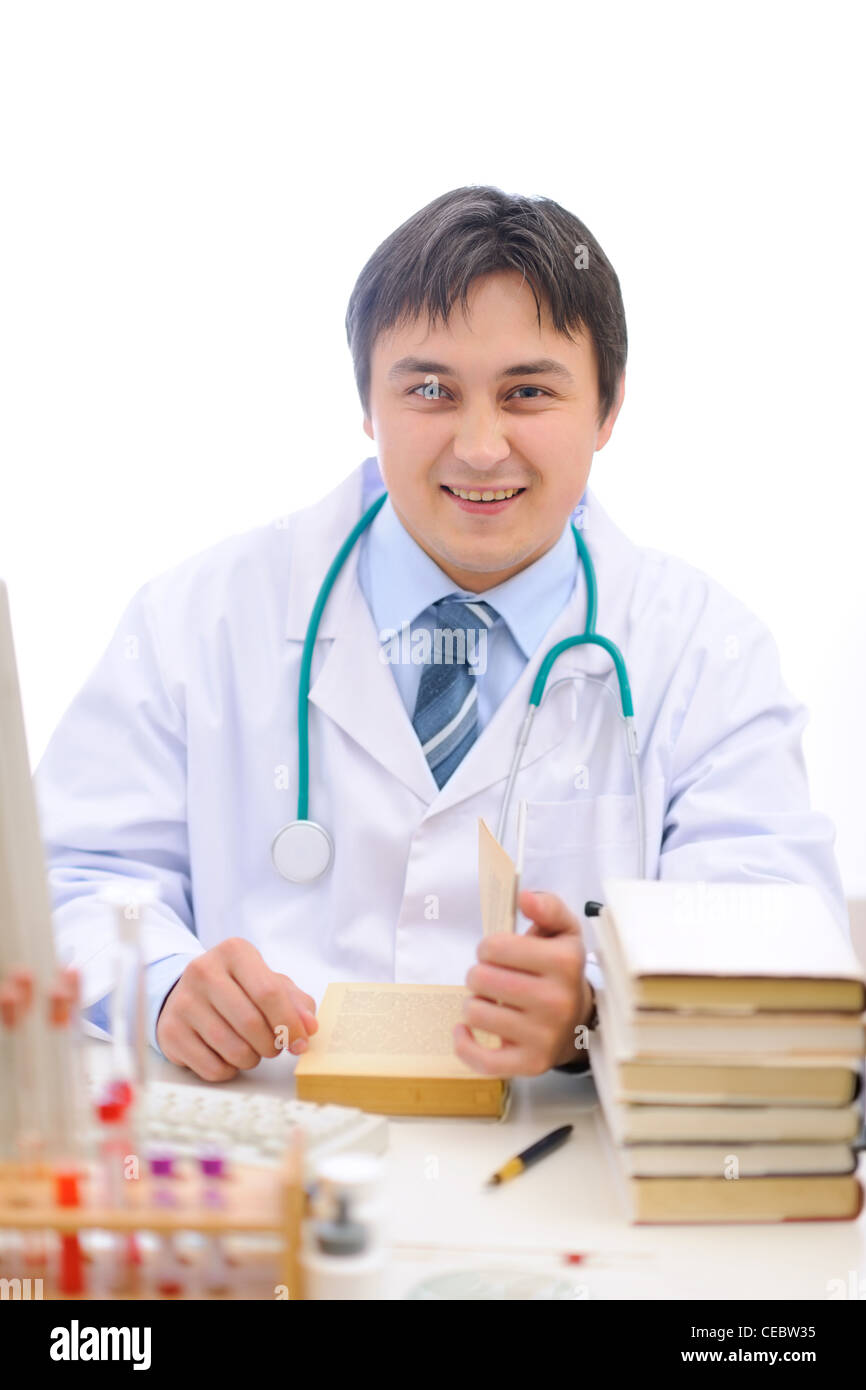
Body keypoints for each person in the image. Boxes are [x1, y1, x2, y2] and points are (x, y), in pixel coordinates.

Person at [33, 186, 848, 1085]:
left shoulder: (702, 652)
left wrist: (595, 1012)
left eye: (528, 392)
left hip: (558, 1169)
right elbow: (64, 878)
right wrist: (160, 984)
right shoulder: (200, 618)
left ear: (609, 409)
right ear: (367, 405)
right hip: (271, 1146)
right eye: (429, 389)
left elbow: (772, 934)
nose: (481, 445)